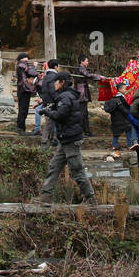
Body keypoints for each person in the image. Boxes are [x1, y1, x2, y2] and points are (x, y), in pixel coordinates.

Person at [39, 72, 95, 206]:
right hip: (66, 138)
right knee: (54, 166)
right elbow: (64, 112)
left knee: (77, 169)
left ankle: (90, 198)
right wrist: (52, 107)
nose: (54, 84)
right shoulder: (67, 96)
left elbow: (60, 115)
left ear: (62, 82)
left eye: (56, 82)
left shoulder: (65, 97)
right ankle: (45, 197)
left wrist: (47, 112)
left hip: (70, 139)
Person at [70, 54, 103, 138]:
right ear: (82, 61)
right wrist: (99, 77)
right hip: (82, 93)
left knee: (84, 113)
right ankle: (81, 132)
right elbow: (88, 75)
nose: (88, 62)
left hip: (82, 91)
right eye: (87, 61)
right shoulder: (81, 68)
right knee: (82, 113)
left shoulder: (82, 68)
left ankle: (87, 131)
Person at [104, 80, 134, 157]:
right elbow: (124, 109)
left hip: (115, 120)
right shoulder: (120, 99)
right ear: (120, 89)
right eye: (125, 88)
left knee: (116, 134)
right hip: (123, 119)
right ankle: (130, 145)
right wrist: (130, 112)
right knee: (128, 131)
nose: (126, 90)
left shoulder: (114, 99)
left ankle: (115, 145)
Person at [14, 53, 38, 135]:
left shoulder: (20, 64)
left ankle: (21, 128)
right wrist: (34, 66)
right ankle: (20, 128)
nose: (27, 59)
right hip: (24, 89)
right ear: (22, 58)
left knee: (23, 110)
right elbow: (33, 73)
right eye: (26, 58)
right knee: (23, 110)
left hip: (22, 89)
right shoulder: (22, 64)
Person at [37, 58, 59, 144]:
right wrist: (57, 99)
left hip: (46, 101)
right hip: (51, 102)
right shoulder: (54, 76)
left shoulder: (46, 76)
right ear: (56, 67)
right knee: (49, 122)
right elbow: (53, 90)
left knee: (52, 121)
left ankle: (52, 138)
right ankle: (44, 141)